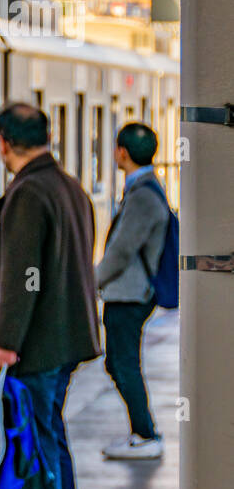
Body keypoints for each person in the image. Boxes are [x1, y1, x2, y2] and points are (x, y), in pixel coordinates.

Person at [0, 102, 100, 489]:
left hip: (40, 340)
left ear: (3, 143)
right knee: (49, 427)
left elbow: (24, 276)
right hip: (68, 334)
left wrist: (7, 341)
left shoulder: (29, 193)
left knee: (36, 431)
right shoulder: (69, 187)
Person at [95, 122, 169, 461]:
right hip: (129, 292)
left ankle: (145, 433)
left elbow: (122, 250)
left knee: (123, 363)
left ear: (121, 152)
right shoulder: (148, 187)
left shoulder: (142, 195)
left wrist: (91, 282)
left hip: (129, 294)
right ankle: (142, 431)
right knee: (119, 362)